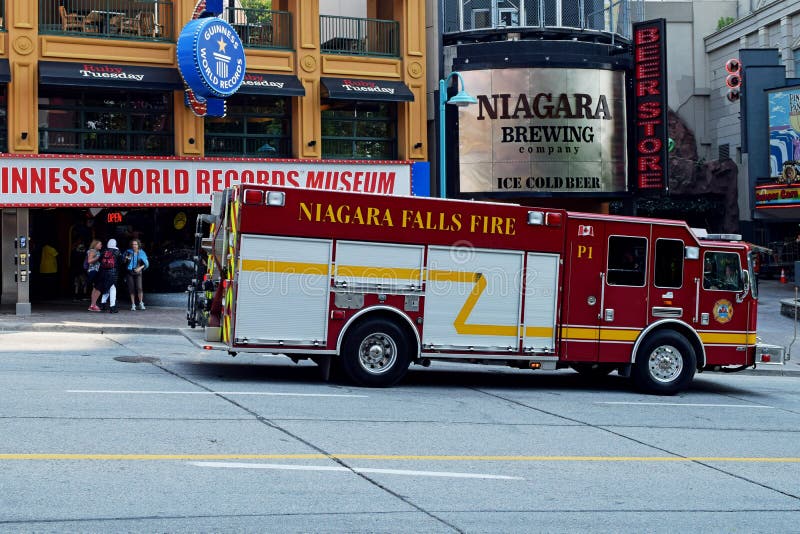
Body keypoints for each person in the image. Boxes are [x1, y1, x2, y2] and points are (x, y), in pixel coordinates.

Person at [123, 239, 149, 311]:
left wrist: (139, 268)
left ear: (138, 245)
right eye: (133, 244)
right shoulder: (128, 252)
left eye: (135, 244)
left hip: (138, 272)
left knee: (139, 288)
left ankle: (141, 303)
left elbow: (146, 263)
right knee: (131, 288)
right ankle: (133, 304)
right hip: (129, 272)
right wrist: (125, 258)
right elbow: (123, 261)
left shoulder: (142, 252)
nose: (134, 246)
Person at [97, 239, 121, 313]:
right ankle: (112, 307)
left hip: (104, 272)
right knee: (113, 288)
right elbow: (122, 260)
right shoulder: (117, 251)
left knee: (106, 287)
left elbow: (99, 260)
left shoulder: (104, 251)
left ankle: (102, 305)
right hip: (113, 272)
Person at [86, 240, 103, 312]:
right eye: (100, 244)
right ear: (95, 245)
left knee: (95, 288)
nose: (101, 245)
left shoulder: (96, 251)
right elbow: (89, 261)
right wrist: (98, 257)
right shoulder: (93, 251)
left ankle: (92, 305)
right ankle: (93, 305)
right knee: (99, 287)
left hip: (95, 271)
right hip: (94, 271)